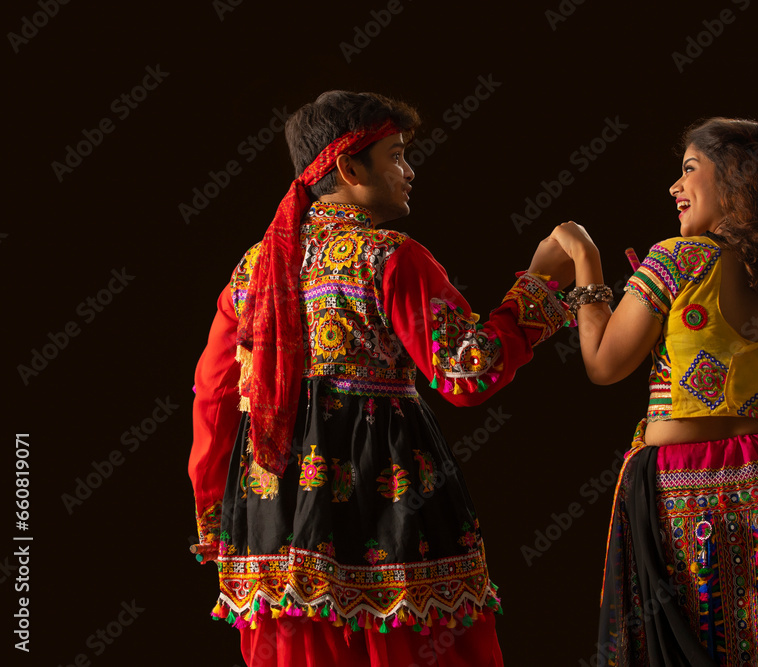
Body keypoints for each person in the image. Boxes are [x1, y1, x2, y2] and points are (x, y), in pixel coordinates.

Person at [187, 90, 573, 666]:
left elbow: (215, 397)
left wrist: (217, 516)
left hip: (271, 510)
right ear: (348, 167)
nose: (409, 171)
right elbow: (466, 370)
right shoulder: (389, 257)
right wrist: (538, 287)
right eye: (395, 155)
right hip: (385, 496)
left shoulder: (252, 272)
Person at [549, 117, 758, 666]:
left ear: (735, 179)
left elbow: (604, 364)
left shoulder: (679, 259)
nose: (674, 187)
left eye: (689, 169)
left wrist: (585, 262)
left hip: (688, 495)